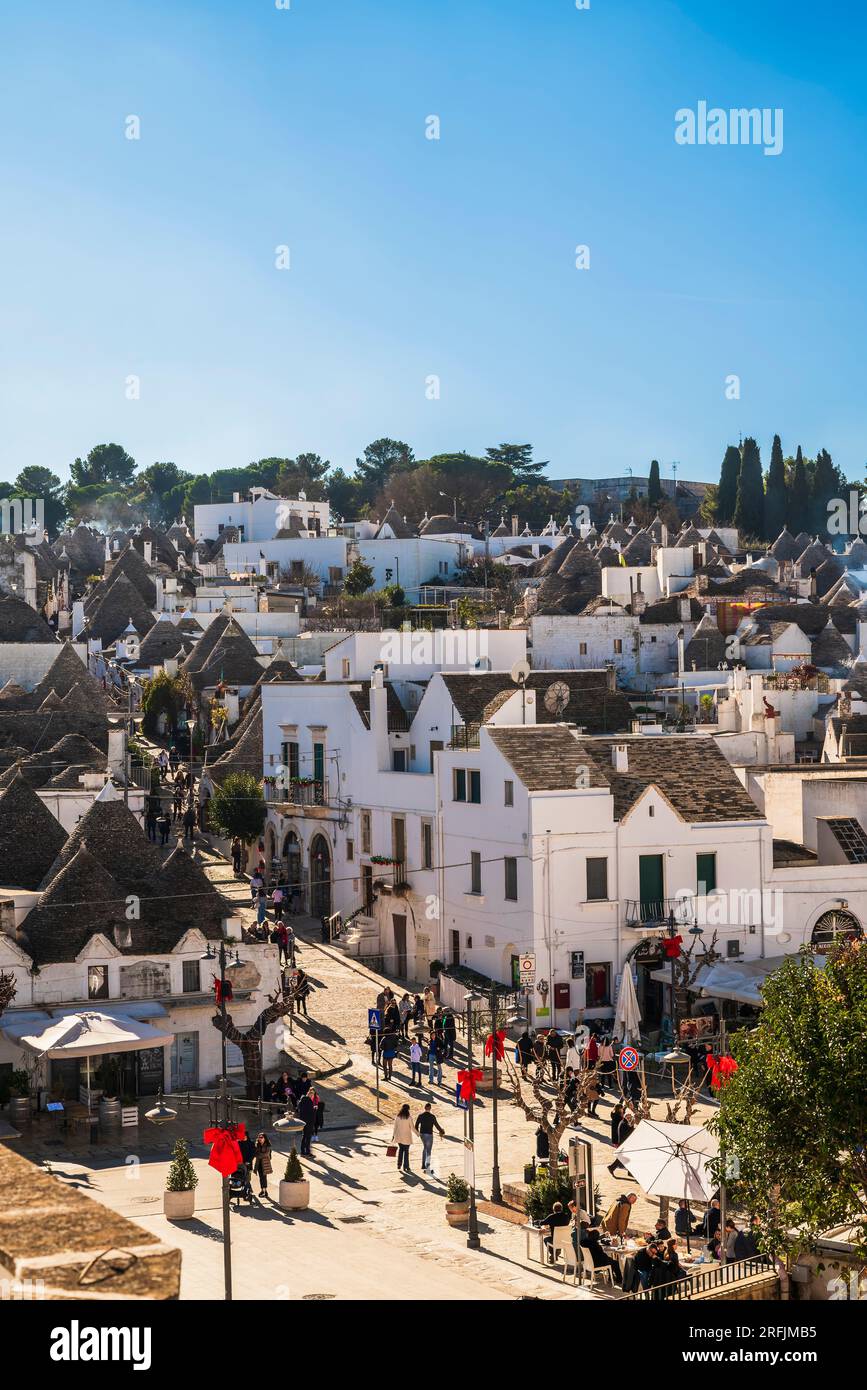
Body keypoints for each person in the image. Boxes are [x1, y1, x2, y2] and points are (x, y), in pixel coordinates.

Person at [414, 1102, 445, 1173]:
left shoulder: (420, 1116)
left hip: (422, 1134)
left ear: (425, 1108)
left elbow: (416, 1125)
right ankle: (427, 1167)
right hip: (429, 1135)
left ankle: (423, 1165)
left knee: (425, 1148)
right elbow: (437, 1126)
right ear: (430, 1108)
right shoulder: (432, 1116)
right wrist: (442, 1131)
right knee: (428, 1150)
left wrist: (418, 1133)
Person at [539, 1201, 571, 1265]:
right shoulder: (566, 1216)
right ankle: (556, 1252)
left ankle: (554, 1254)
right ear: (561, 1209)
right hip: (565, 1240)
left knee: (546, 1239)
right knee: (554, 1239)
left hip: (555, 1240)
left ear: (553, 1209)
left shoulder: (552, 1217)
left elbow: (542, 1223)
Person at [608, 1107, 634, 1176]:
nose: (629, 1118)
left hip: (624, 1143)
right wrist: (632, 1127)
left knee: (624, 1158)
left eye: (630, 1117)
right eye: (628, 1117)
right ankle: (611, 1167)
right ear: (625, 1117)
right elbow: (628, 1133)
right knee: (623, 1158)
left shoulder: (624, 1122)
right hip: (624, 1144)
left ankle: (612, 1167)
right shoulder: (624, 1124)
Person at [392, 1103, 416, 1173]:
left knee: (401, 1150)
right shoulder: (409, 1117)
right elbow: (412, 1128)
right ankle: (406, 1166)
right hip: (407, 1138)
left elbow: (395, 1127)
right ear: (408, 1109)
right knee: (406, 1152)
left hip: (399, 1137)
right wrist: (418, 1134)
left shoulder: (398, 1117)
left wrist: (393, 1136)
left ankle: (399, 1165)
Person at [296, 1090, 316, 1156]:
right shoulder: (309, 1101)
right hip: (309, 1121)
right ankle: (307, 1152)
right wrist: (315, 1109)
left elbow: (300, 1109)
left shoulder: (301, 1100)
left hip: (303, 1121)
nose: (313, 1096)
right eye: (312, 1095)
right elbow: (310, 1112)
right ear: (310, 1094)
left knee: (304, 1136)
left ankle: (303, 1152)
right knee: (308, 1137)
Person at [252, 1132, 273, 1197]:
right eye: (259, 1137)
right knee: (261, 1177)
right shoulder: (257, 1144)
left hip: (265, 1163)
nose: (260, 1139)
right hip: (259, 1164)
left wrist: (258, 1155)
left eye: (261, 1137)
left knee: (264, 1177)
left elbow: (266, 1154)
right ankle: (263, 1190)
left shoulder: (268, 1145)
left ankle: (264, 1190)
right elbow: (255, 1153)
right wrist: (257, 1155)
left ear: (264, 1138)